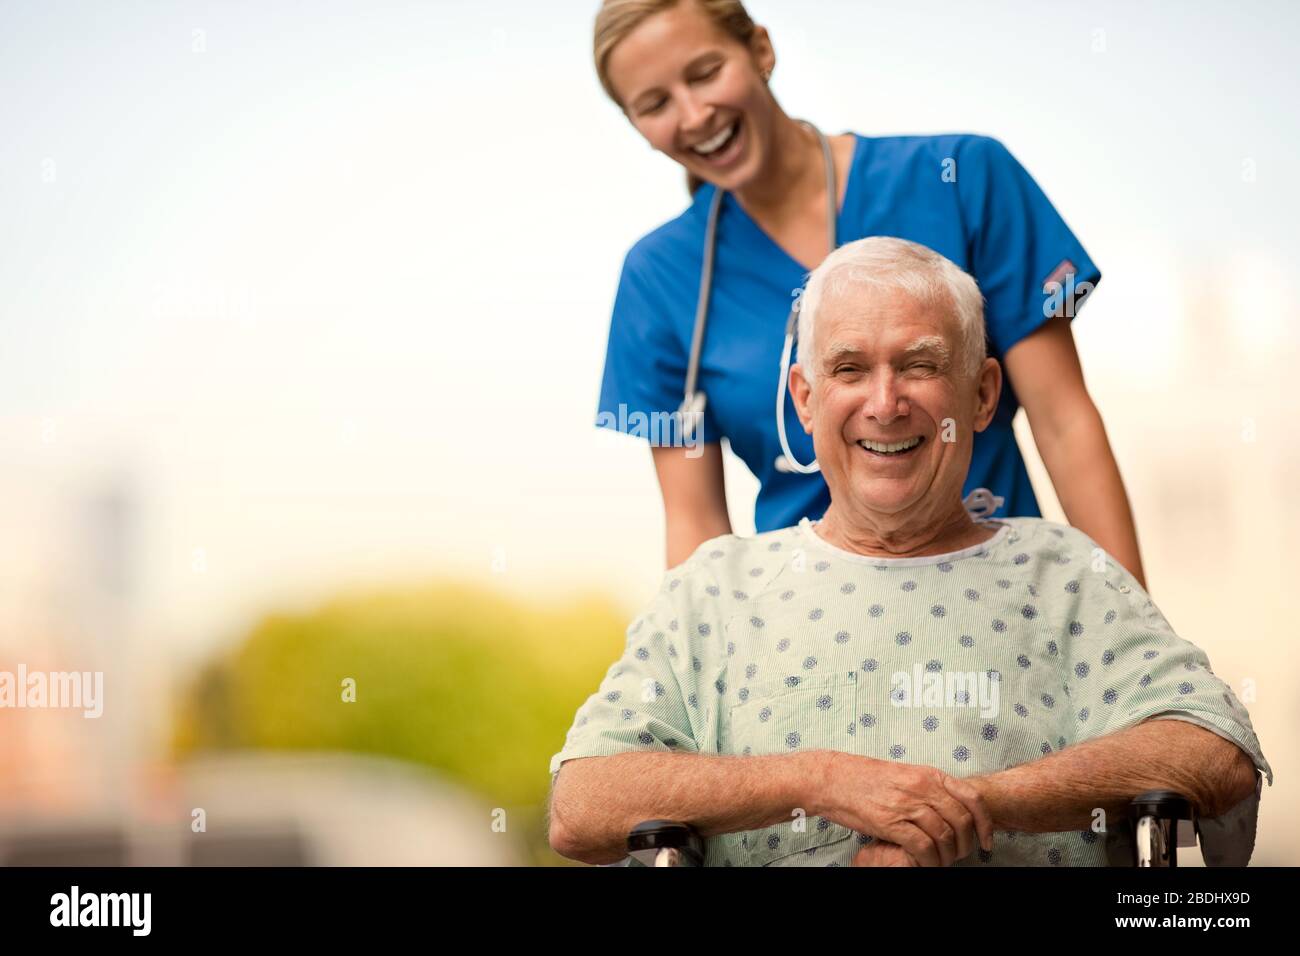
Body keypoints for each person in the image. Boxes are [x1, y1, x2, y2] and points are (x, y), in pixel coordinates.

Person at [547, 237, 1270, 867]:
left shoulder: (1065, 573)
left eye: (920, 365)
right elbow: (582, 804)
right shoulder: (715, 589)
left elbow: (1213, 749)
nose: (885, 403)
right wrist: (824, 781)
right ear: (804, 398)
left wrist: (967, 807)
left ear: (983, 394)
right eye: (851, 369)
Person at [591, 0, 1147, 585]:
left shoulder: (963, 178)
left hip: (1004, 601)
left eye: (705, 73)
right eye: (653, 104)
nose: (694, 113)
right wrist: (696, 665)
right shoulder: (659, 278)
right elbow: (693, 520)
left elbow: (1063, 422)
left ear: (760, 49)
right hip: (803, 632)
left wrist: (1136, 636)